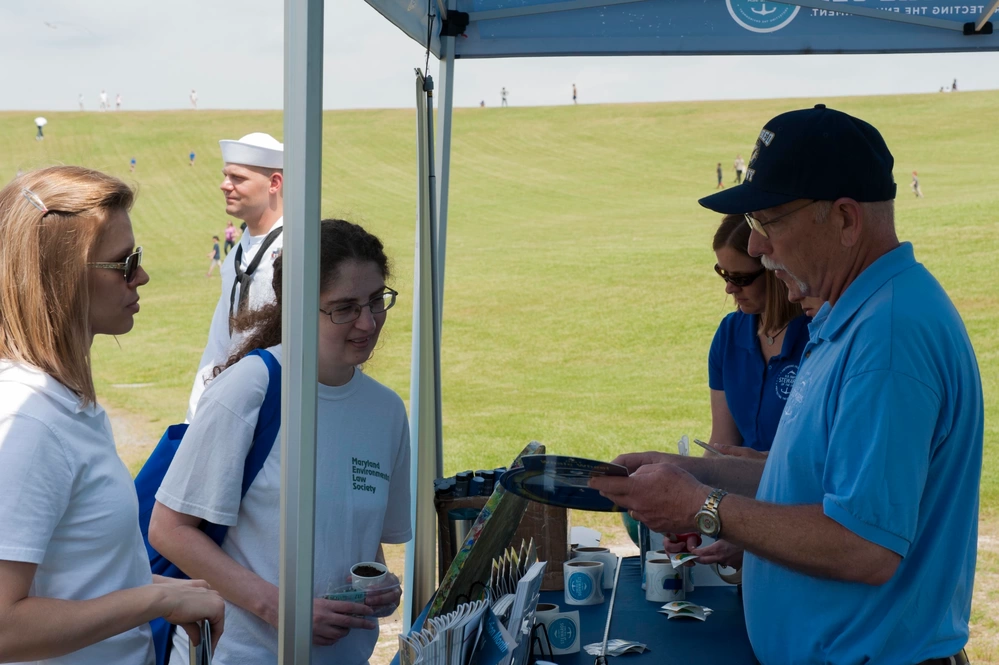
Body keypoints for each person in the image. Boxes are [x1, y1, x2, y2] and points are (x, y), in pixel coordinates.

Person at [592, 105, 983, 665]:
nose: (755, 247)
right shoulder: (852, 317)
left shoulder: (889, 338)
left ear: (845, 219)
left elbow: (864, 546)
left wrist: (701, 505)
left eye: (768, 220)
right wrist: (691, 472)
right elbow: (813, 481)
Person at [150, 218, 411, 665]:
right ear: (300, 306)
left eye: (375, 300)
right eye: (345, 308)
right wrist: (285, 611)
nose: (368, 322)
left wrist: (378, 584)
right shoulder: (251, 387)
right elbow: (168, 530)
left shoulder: (385, 410)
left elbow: (358, 539)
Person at [0, 166, 224, 664]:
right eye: (125, 263)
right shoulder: (29, 421)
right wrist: (157, 601)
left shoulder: (63, 402)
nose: (141, 276)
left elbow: (77, 575)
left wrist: (158, 587)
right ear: (61, 275)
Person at [185, 132, 284, 421]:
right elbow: (220, 341)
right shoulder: (236, 255)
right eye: (226, 176)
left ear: (274, 183)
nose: (224, 185)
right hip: (235, 405)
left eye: (237, 178)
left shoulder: (300, 250)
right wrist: (194, 419)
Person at [708, 214, 807, 454]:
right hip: (737, 477)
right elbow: (722, 441)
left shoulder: (816, 334)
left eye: (740, 278)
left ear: (775, 270)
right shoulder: (730, 334)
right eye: (723, 273)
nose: (729, 288)